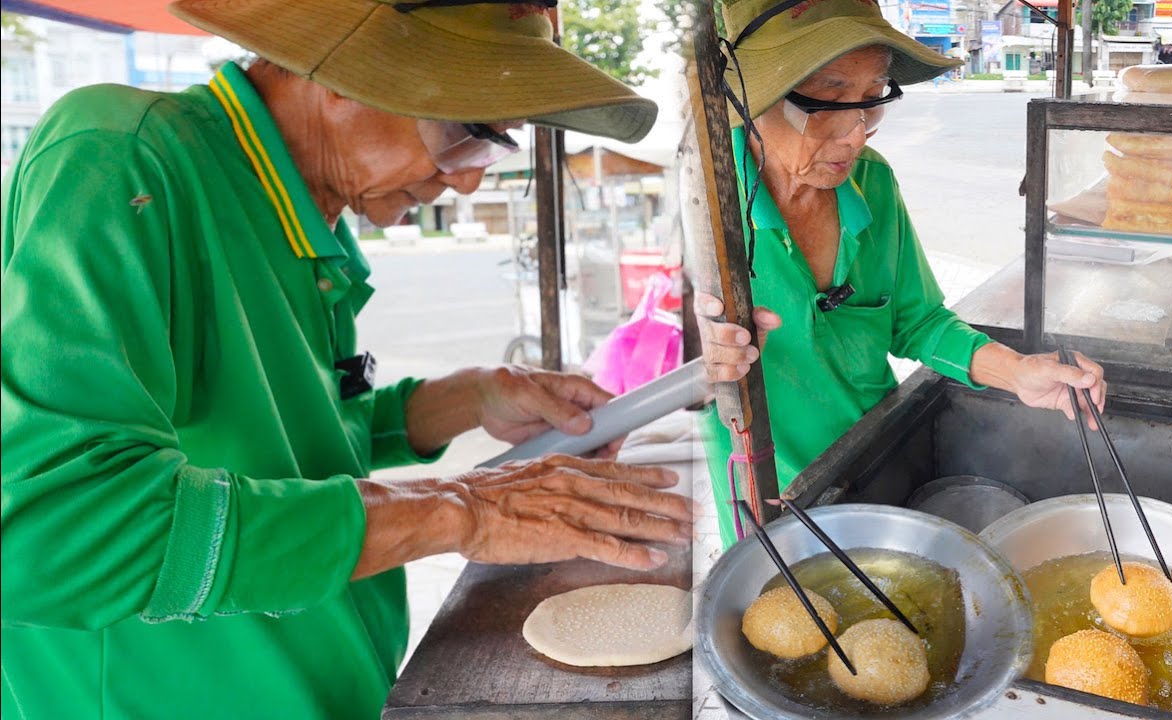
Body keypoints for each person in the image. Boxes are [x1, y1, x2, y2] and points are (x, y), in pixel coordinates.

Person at [0, 1, 691, 718]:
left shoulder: (305, 224)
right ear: (342, 70)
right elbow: (49, 532)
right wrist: (460, 510)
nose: (467, 182)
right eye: (467, 133)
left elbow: (283, 448)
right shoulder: (122, 154)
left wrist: (473, 397)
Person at [697, 0, 1108, 548]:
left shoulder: (872, 182)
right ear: (748, 96)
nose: (856, 134)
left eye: (872, 99)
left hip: (873, 461)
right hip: (771, 496)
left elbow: (917, 322)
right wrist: (693, 358)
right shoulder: (701, 204)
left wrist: (1018, 373)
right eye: (828, 97)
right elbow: (649, 358)